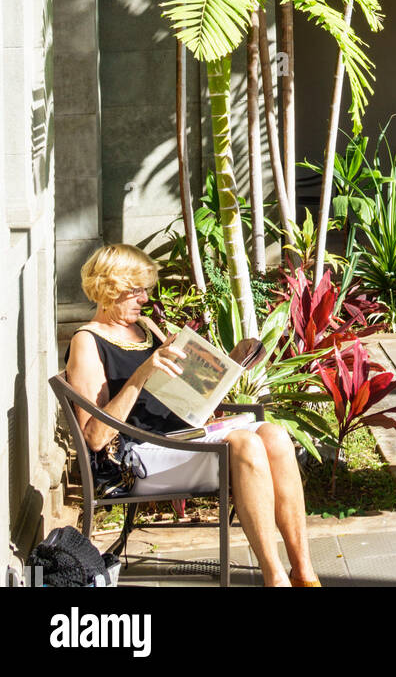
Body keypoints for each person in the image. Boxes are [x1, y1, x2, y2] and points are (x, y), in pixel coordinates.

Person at [65, 243, 320, 588]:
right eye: (136, 289)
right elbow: (95, 437)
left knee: (273, 435)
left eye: (146, 289)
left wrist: (230, 362)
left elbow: (187, 395)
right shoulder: (87, 341)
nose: (144, 298)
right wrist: (141, 375)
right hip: (136, 459)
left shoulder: (147, 328)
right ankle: (275, 578)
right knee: (244, 443)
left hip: (181, 440)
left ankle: (304, 572)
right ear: (111, 287)